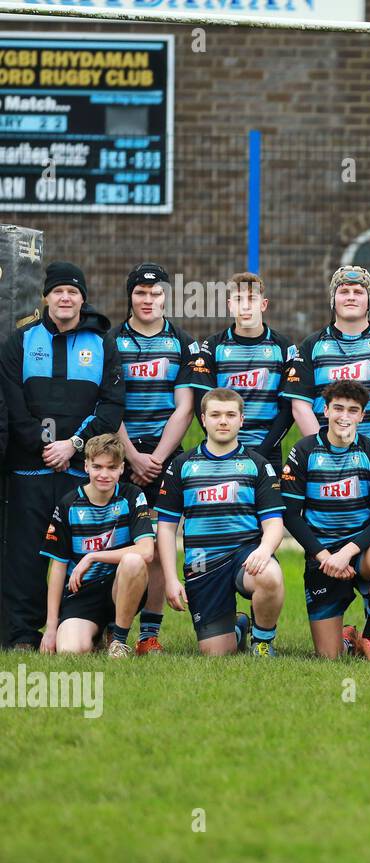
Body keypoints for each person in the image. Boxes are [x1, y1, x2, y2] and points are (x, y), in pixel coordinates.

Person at [1, 261, 124, 652]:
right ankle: (22, 634)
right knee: (24, 553)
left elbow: (111, 406)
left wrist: (72, 445)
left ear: (83, 299)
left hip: (80, 469)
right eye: (58, 291)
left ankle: (90, 625)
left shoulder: (102, 344)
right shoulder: (20, 341)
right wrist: (43, 445)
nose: (65, 297)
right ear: (46, 297)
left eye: (73, 291)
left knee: (81, 550)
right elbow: (12, 403)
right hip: (29, 469)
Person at [155, 389, 286, 657]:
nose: (223, 421)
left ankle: (262, 642)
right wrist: (170, 579)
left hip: (244, 556)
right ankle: (238, 627)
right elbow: (166, 527)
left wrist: (263, 551)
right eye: (215, 415)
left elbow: (274, 524)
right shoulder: (182, 465)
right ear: (203, 419)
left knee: (270, 575)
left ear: (241, 419)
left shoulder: (257, 465)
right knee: (216, 653)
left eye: (230, 415)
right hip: (203, 563)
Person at [110, 262, 197, 654]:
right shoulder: (111, 341)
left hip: (164, 456)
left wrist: (156, 459)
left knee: (161, 544)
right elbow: (110, 404)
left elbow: (185, 408)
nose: (149, 300)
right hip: (119, 452)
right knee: (119, 540)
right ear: (130, 296)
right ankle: (111, 628)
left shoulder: (181, 342)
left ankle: (149, 635)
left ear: (166, 297)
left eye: (157, 293)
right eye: (141, 293)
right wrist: (132, 456)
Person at [281, 381, 370, 661]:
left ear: (361, 415)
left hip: (361, 551)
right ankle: (348, 638)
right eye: (338, 408)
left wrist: (347, 553)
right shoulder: (304, 451)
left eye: (352, 410)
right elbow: (290, 515)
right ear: (325, 410)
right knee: (330, 656)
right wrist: (326, 556)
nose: (344, 416)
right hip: (322, 556)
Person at [39, 434, 153, 657]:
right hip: (82, 592)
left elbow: (147, 551)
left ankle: (118, 641)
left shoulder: (132, 496)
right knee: (70, 651)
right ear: (86, 466)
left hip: (117, 587)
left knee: (133, 561)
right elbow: (58, 566)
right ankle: (96, 632)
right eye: (97, 466)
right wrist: (51, 627)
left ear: (121, 468)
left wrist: (92, 557)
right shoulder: (68, 504)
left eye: (111, 467)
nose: (104, 474)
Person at [286, 265, 370, 461]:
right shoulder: (311, 345)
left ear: (369, 302)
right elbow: (300, 405)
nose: (351, 297)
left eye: (358, 292)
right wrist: (323, 449)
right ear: (333, 300)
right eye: (344, 291)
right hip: (324, 461)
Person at [187, 272, 298, 469]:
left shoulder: (284, 348)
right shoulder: (213, 346)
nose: (245, 306)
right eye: (239, 299)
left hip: (266, 452)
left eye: (252, 299)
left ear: (263, 304)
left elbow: (288, 408)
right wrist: (223, 443)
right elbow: (202, 403)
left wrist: (262, 452)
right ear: (230, 305)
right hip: (220, 449)